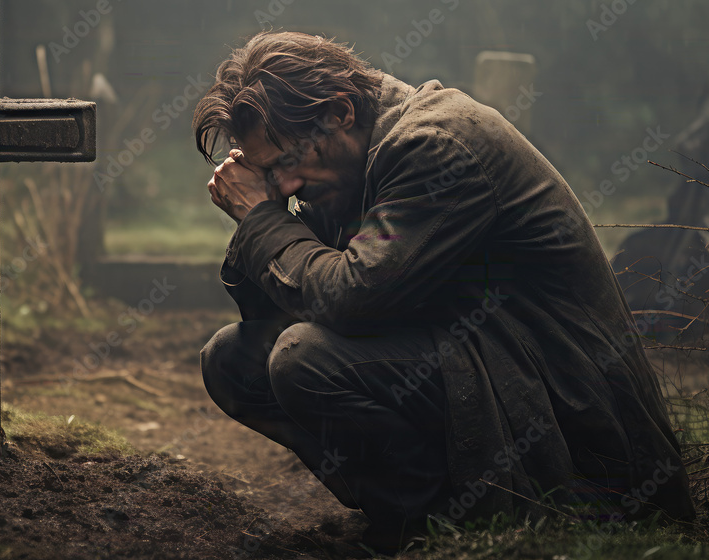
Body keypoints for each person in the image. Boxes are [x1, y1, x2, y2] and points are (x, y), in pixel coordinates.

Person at [193, 31, 695, 550]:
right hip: (483, 368)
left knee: (303, 360)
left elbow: (347, 298)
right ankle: (414, 517)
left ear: (340, 110)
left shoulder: (433, 145)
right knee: (233, 359)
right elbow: (277, 310)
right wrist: (267, 214)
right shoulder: (343, 163)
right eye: (268, 170)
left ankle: (441, 530)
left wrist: (260, 219)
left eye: (286, 162)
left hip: (573, 425)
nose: (285, 184)